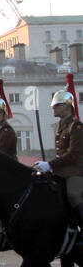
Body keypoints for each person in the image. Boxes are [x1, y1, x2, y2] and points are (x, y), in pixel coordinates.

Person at [35, 75, 83, 225]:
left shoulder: (76, 127)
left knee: (73, 195)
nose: (53, 108)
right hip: (60, 170)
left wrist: (50, 164)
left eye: (57, 105)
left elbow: (74, 154)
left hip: (75, 171)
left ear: (67, 106)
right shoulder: (59, 126)